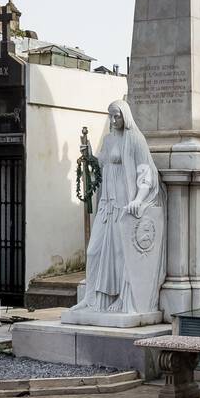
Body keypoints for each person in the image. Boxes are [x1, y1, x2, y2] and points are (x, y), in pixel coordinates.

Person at [74, 100, 164, 316]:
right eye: (111, 116)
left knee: (121, 253)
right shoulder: (108, 139)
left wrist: (138, 199)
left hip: (125, 203)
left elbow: (146, 173)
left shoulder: (134, 139)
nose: (113, 120)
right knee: (94, 251)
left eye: (117, 116)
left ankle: (122, 298)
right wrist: (89, 157)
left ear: (126, 116)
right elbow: (101, 165)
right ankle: (92, 298)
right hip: (107, 203)